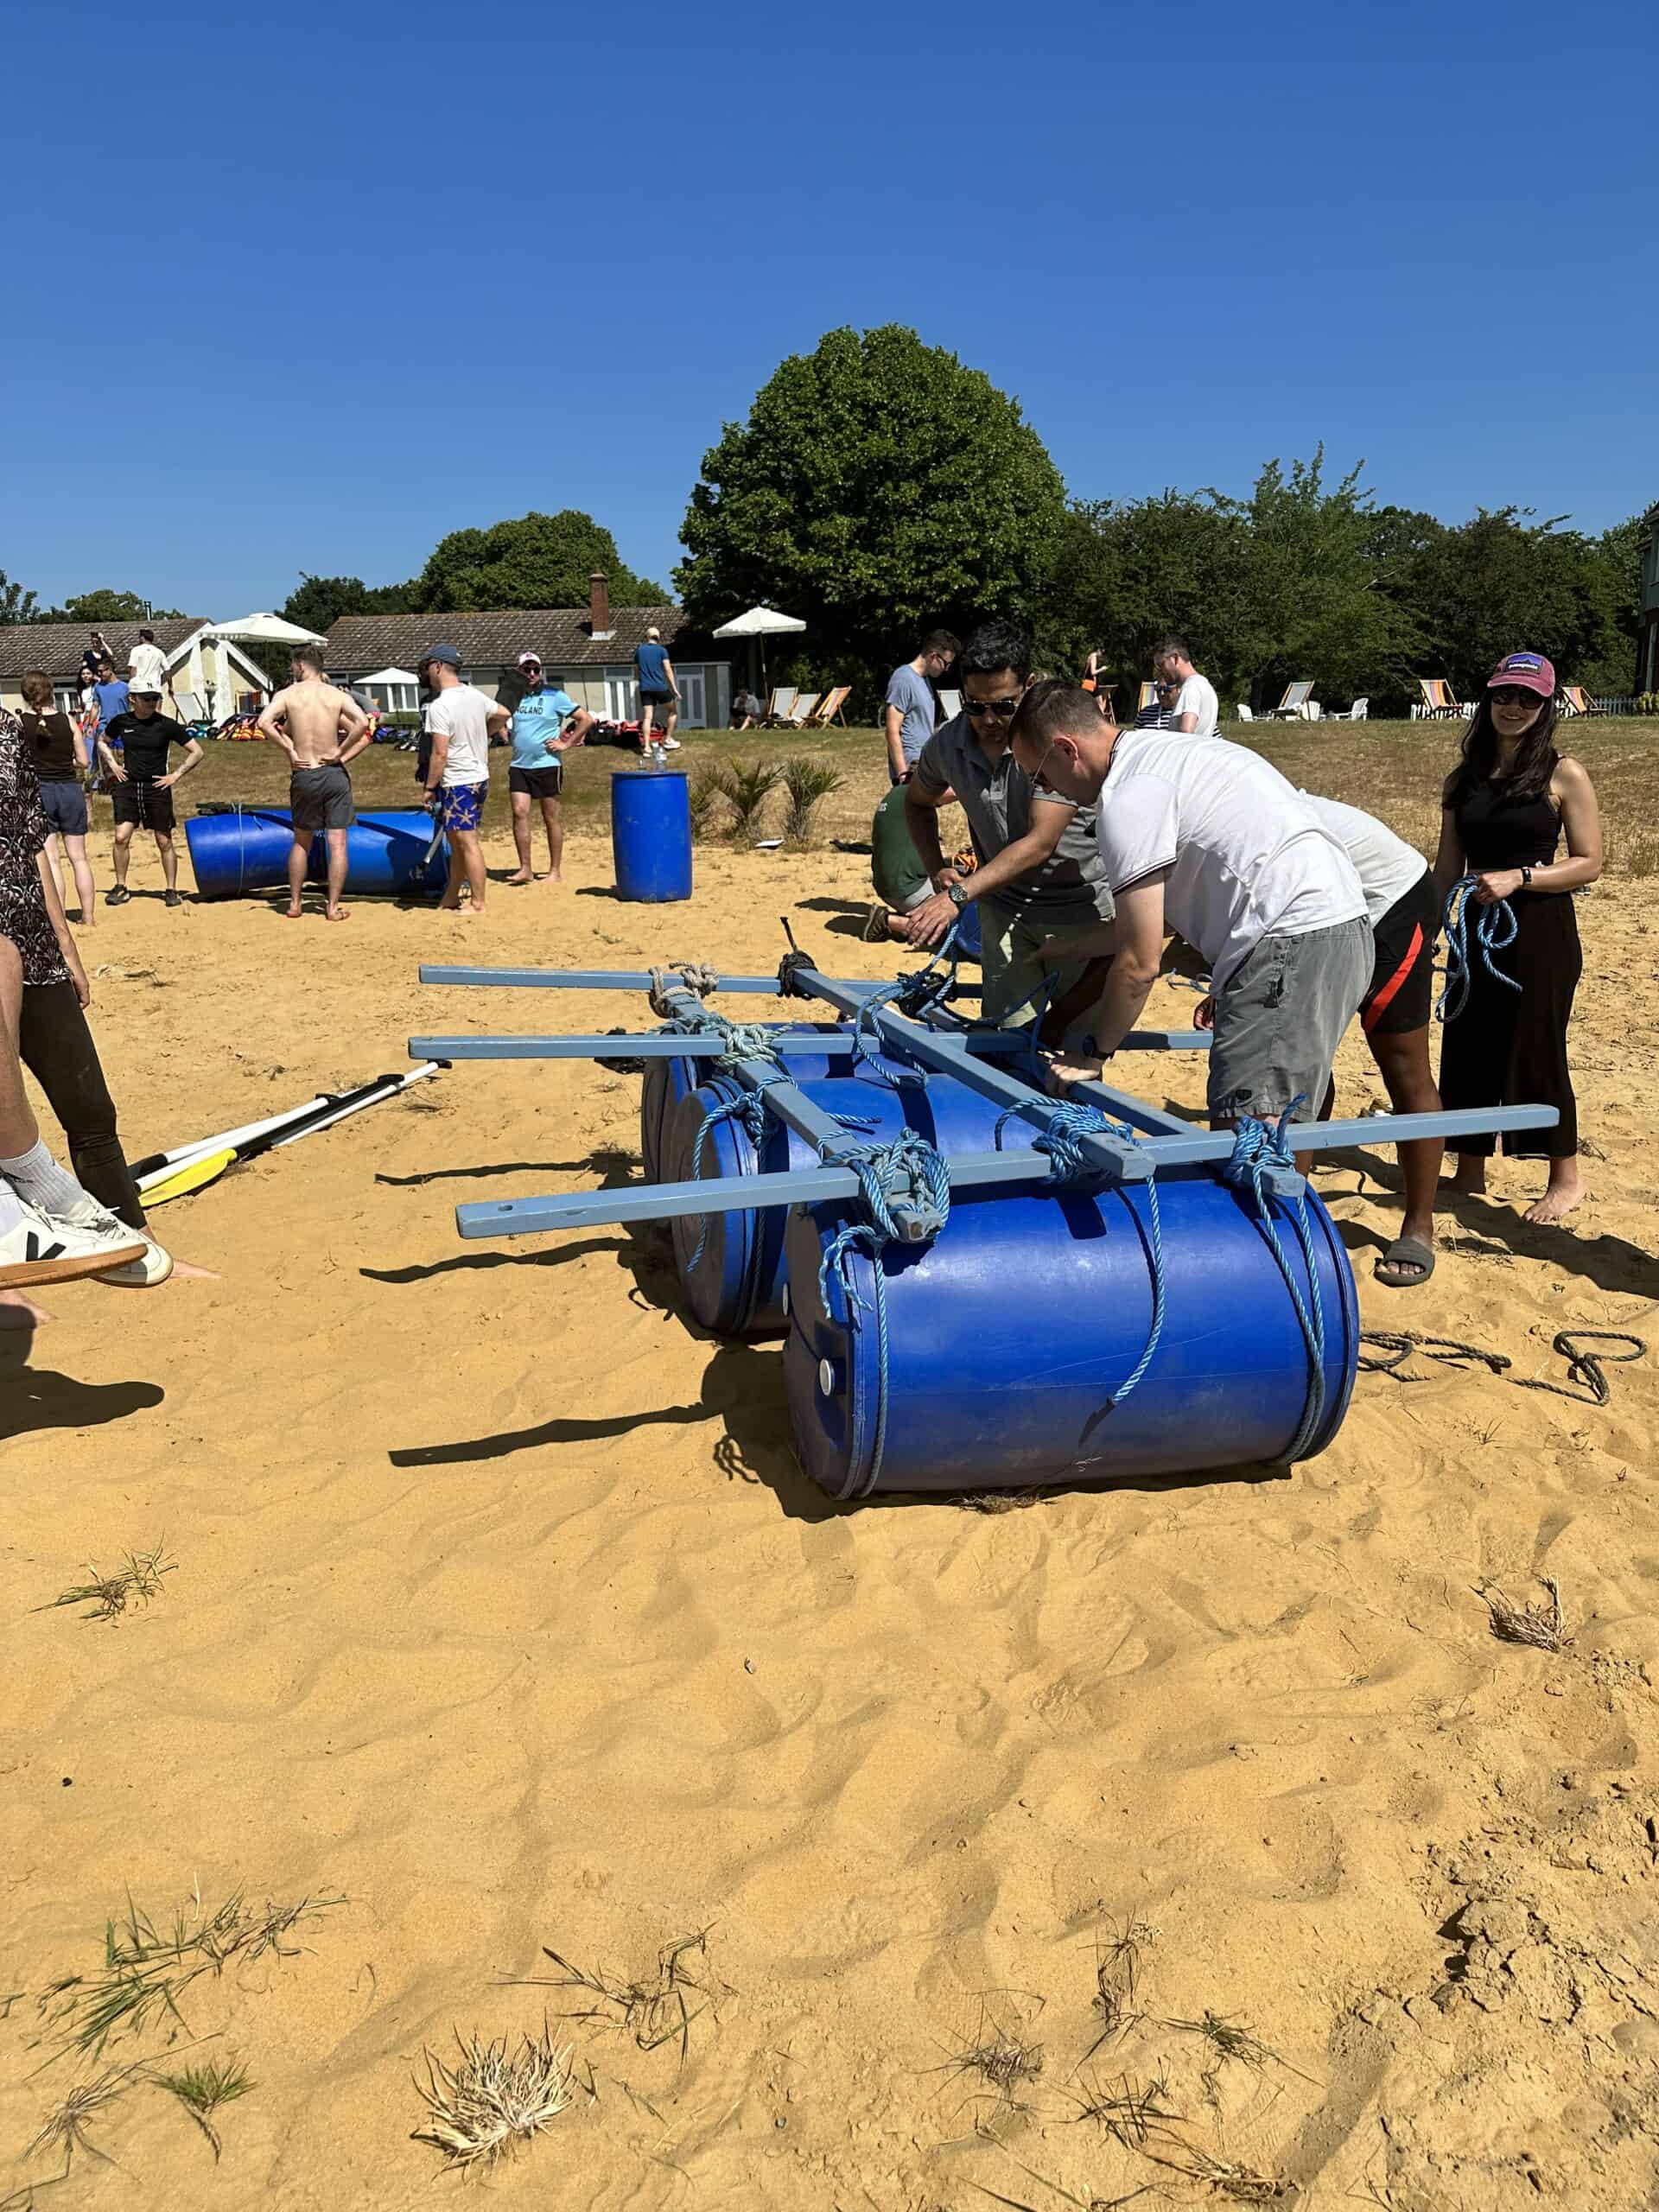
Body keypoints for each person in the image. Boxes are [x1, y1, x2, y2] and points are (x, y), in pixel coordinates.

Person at [1008, 685, 1370, 1135]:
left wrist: (1094, 1054)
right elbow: (1157, 919)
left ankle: (1272, 1209)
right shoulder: (1166, 753)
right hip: (1338, 928)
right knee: (1279, 1128)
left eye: (1039, 777)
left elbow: (1140, 964)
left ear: (1066, 749)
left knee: (1248, 1140)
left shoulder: (1127, 799)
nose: (1046, 790)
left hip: (1285, 943)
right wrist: (1070, 945)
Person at [1219, 791, 1443, 1286]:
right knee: (1300, 1052)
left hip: (1390, 903)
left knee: (1403, 1064)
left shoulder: (1244, 819)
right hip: (1320, 913)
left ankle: (1420, 1223)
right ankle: (1293, 1203)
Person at [0, 706, 168, 1287]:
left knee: (90, 1107)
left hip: (31, 939)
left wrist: (64, 941)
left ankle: (133, 1245)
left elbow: (31, 847)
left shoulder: (6, 730)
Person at [1434, 652, 1602, 1225]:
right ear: (1489, 700)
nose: (1513, 707)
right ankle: (1470, 1167)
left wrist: (1521, 877)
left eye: (1528, 698)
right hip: (1476, 929)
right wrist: (1430, 929)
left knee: (1536, 1048)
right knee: (1469, 1045)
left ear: (1546, 706)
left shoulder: (1564, 773)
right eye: (1505, 695)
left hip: (1541, 929)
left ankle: (1565, 1177)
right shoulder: (1464, 779)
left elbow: (1589, 863)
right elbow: (1445, 869)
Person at [899, 625, 1117, 1026]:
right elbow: (915, 803)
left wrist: (957, 896)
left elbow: (1040, 842)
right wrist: (936, 869)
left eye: (1003, 705)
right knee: (1007, 1046)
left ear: (1029, 686)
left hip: (1078, 917)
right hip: (1003, 914)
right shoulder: (947, 745)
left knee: (1075, 1053)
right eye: (975, 706)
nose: (989, 720)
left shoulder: (1054, 746)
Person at [257, 646, 373, 922]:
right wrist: (341, 751)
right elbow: (362, 723)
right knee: (338, 843)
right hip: (332, 771)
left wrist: (289, 749)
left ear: (300, 665)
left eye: (293, 666)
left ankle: (295, 904)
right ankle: (332, 908)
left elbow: (263, 723)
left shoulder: (287, 695)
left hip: (304, 771)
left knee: (301, 842)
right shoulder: (335, 695)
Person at [418, 645, 508, 914]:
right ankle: (451, 896)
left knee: (467, 843)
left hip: (458, 781)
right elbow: (503, 713)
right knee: (456, 842)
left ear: (437, 666)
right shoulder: (474, 695)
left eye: (427, 668)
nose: (426, 674)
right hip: (479, 777)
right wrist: (485, 732)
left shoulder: (440, 705)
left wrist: (429, 787)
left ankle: (478, 903)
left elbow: (439, 752)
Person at [99, 690, 202, 907]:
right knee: (121, 837)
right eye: (146, 699)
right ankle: (120, 887)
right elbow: (102, 741)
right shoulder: (121, 721)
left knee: (163, 840)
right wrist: (113, 765)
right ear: (133, 699)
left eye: (155, 698)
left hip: (156, 787)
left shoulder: (166, 724)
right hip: (128, 786)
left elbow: (196, 751)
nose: (151, 703)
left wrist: (175, 775)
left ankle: (171, 889)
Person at [18, 671, 96, 929]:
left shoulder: (21, 723)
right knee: (79, 858)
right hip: (70, 791)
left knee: (52, 861)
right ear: (52, 692)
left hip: (40, 792)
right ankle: (88, 917)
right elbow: (85, 761)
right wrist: (66, 762)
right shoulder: (68, 721)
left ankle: (59, 918)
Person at [505, 656, 593, 885]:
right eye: (527, 669)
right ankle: (525, 868)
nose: (532, 673)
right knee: (519, 812)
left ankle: (555, 871)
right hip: (519, 765)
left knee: (550, 817)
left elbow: (586, 720)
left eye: (536, 669)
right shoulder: (513, 696)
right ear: (519, 671)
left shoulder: (555, 696)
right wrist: (502, 733)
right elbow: (498, 718)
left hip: (547, 765)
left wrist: (567, 743)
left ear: (541, 671)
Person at [884, 629, 958, 785]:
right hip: (910, 769)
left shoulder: (924, 680)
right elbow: (892, 730)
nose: (946, 669)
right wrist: (902, 774)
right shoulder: (903, 678)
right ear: (933, 656)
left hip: (924, 763)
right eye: (946, 664)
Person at [1153, 638, 1219, 737]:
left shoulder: (1190, 687)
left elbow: (1186, 732)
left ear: (1175, 659)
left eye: (1162, 664)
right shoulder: (1206, 686)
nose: (1161, 671)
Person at [633, 626, 679, 767]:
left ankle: (647, 748)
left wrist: (640, 682)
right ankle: (668, 739)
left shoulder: (639, 650)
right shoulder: (662, 650)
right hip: (660, 687)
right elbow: (668, 669)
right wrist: (674, 689)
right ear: (658, 637)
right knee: (673, 711)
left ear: (647, 637)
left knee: (648, 717)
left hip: (645, 688)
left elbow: (636, 671)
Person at [91, 657, 130, 739]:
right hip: (103, 728)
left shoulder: (125, 687)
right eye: (98, 671)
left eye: (102, 671)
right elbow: (95, 707)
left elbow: (132, 708)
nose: (99, 674)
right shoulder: (98, 687)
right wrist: (90, 725)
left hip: (122, 728)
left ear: (110, 669)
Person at [127, 626, 168, 699]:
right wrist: (170, 686)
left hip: (140, 688)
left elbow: (133, 669)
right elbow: (167, 670)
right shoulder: (159, 652)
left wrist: (130, 687)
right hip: (155, 687)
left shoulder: (136, 650)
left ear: (142, 638)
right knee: (156, 709)